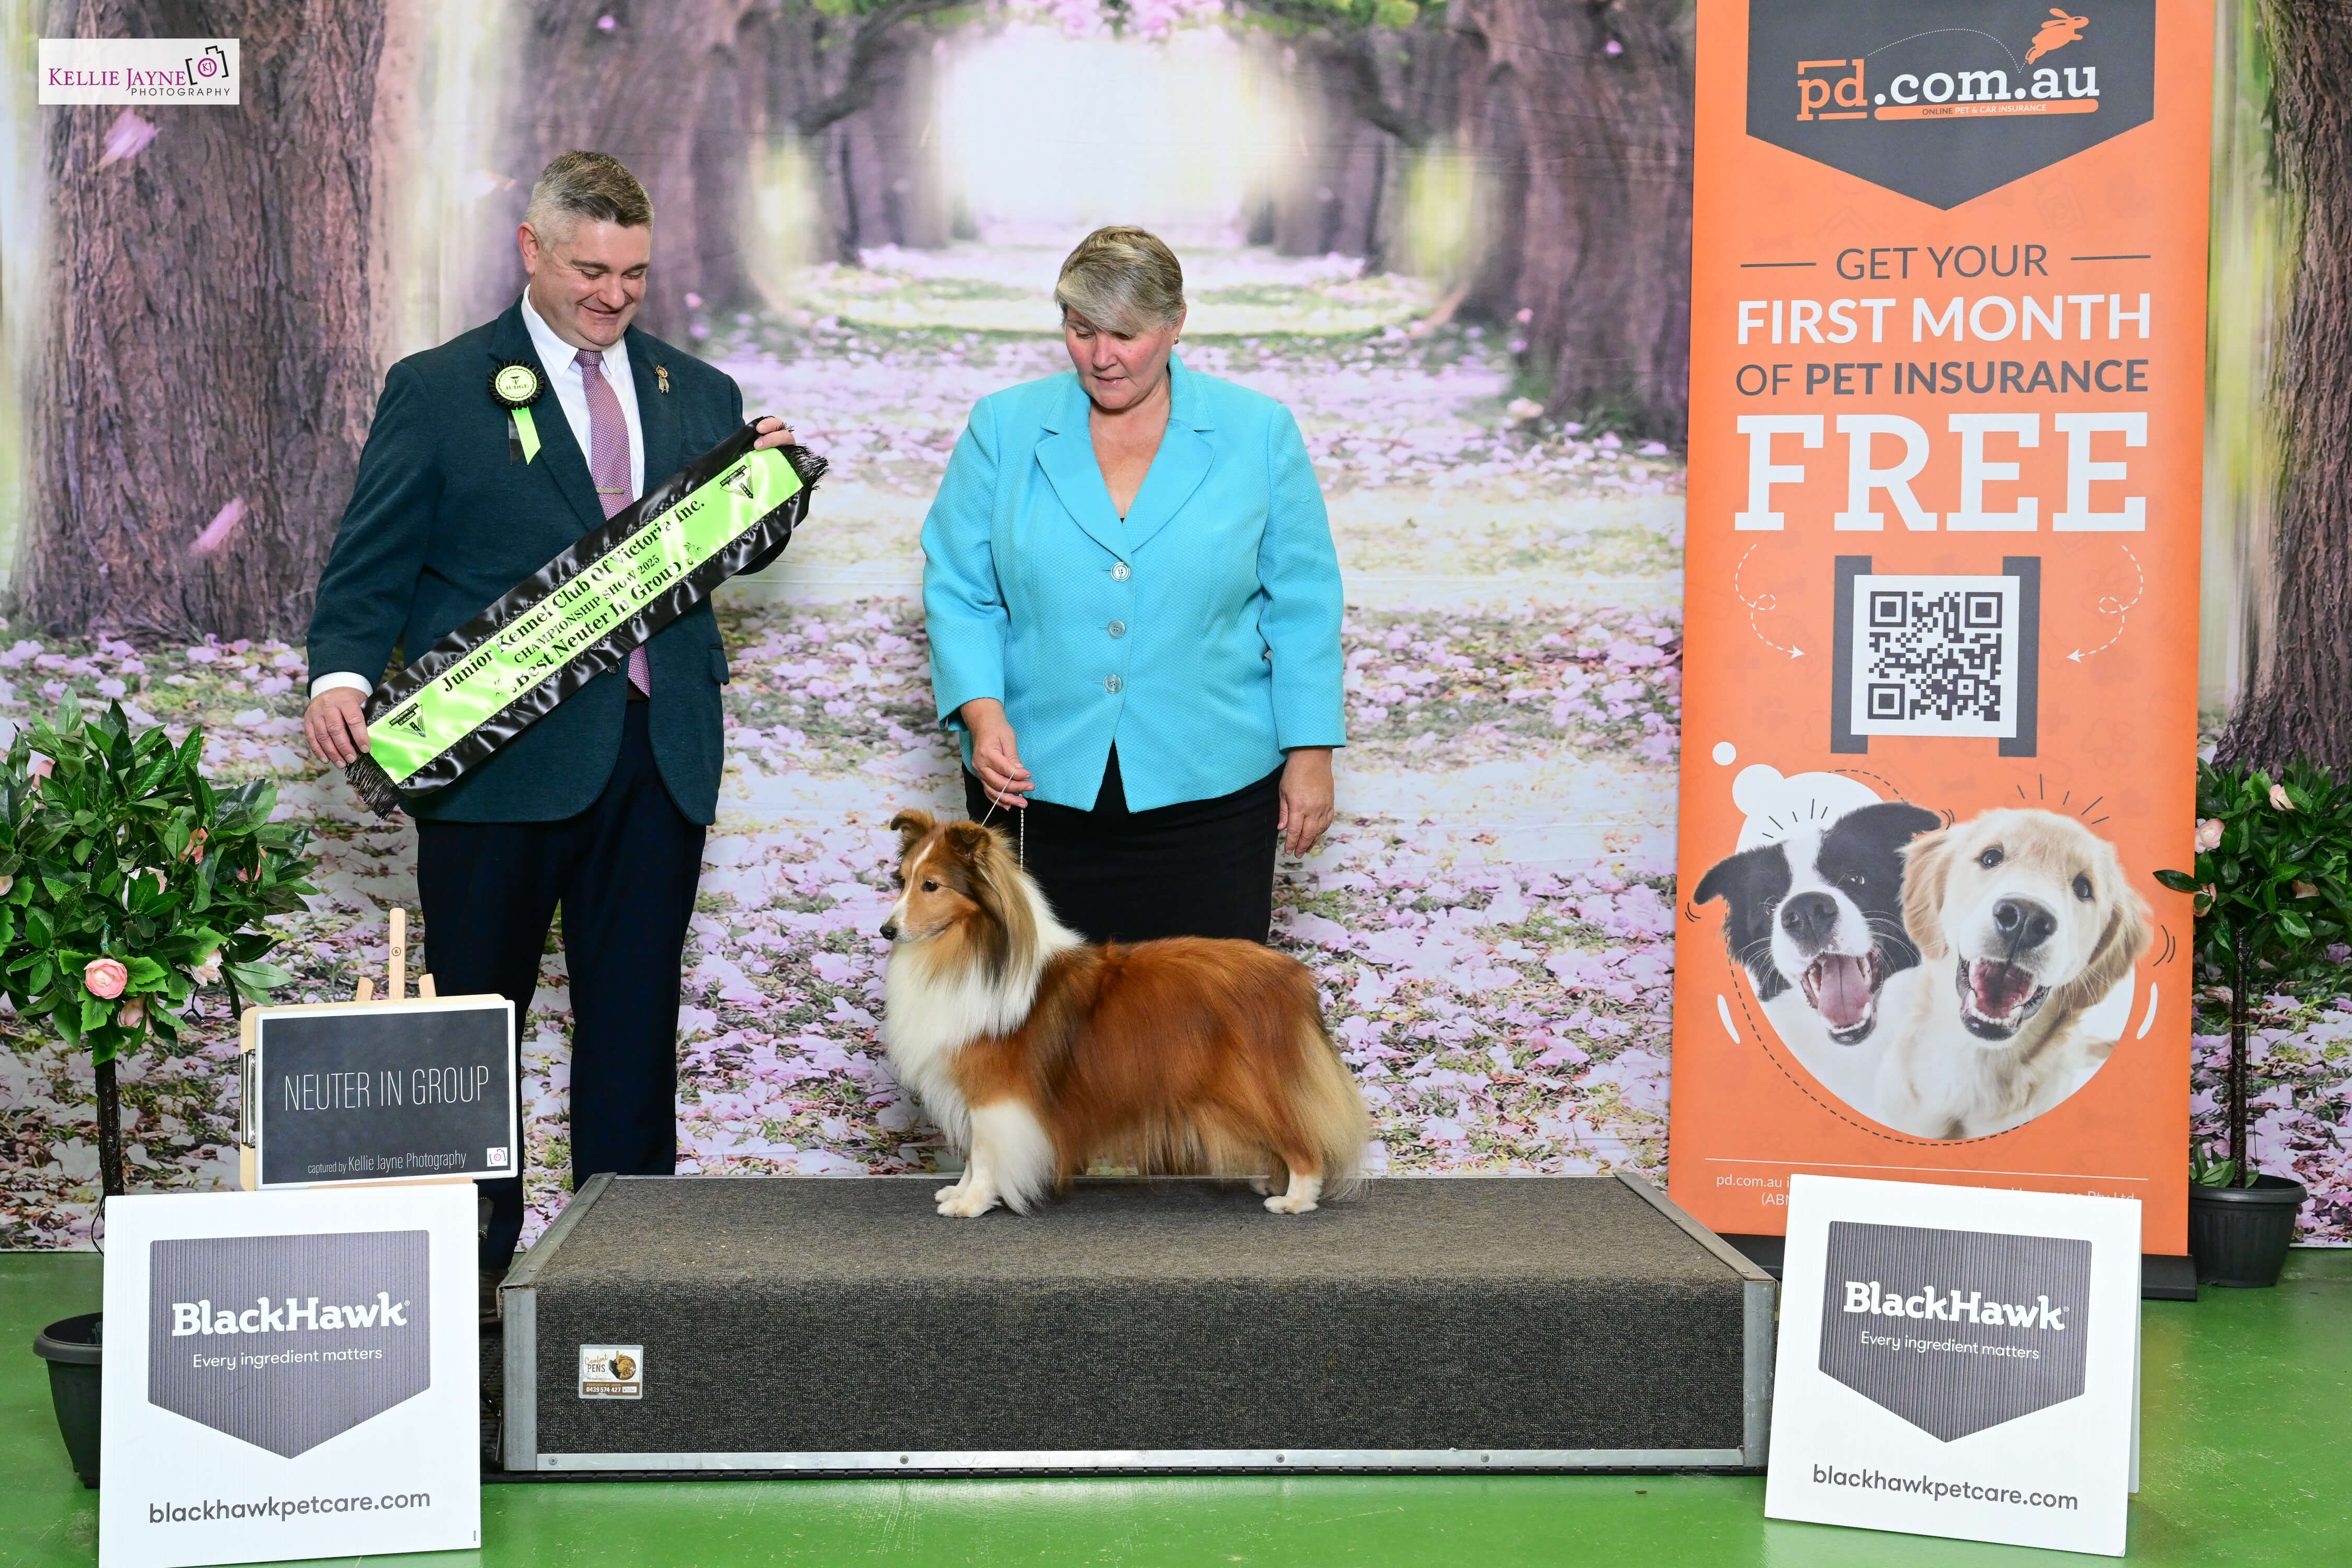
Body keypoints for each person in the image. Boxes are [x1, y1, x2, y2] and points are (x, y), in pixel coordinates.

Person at [303, 151, 798, 1310]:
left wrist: (774, 490)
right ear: (531, 249)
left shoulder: (700, 392)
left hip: (659, 758)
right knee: (476, 1034)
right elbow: (372, 558)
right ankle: (470, 1281)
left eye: (633, 273)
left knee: (634, 1024)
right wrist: (340, 674)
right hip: (495, 766)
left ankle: (626, 1279)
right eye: (589, 270)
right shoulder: (439, 388)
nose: (613, 295)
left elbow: (734, 551)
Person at [921, 225, 1345, 946]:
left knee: (1205, 1009)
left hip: (1214, 786)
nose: (1101, 356)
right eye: (1081, 330)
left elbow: (1303, 605)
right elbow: (961, 589)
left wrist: (1311, 751)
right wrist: (984, 715)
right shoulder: (1003, 427)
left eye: (1125, 334)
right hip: (1034, 783)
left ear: (1176, 324)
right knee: (1039, 1012)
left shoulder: (1259, 431)